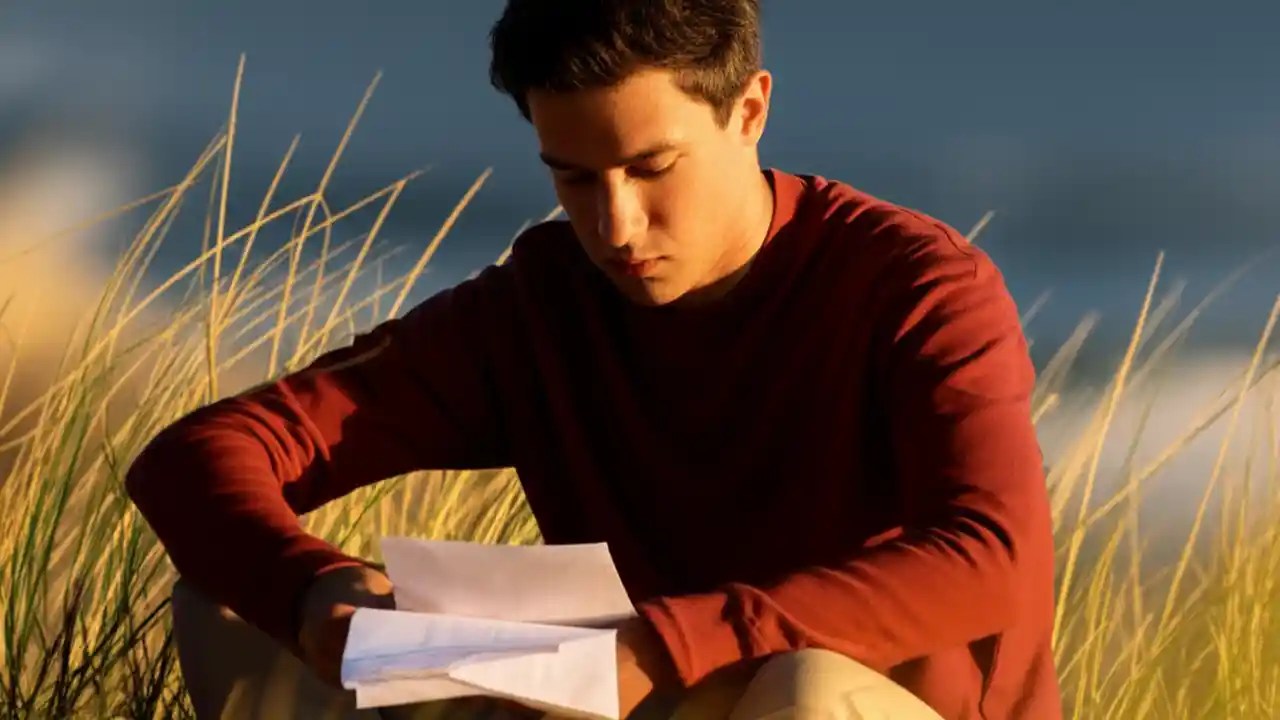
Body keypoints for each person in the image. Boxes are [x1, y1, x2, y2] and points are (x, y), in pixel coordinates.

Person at [125, 0, 1064, 718]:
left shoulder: (916, 285)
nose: (615, 226)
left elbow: (992, 559)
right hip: (625, 691)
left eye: (652, 168)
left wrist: (664, 644)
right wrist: (311, 587)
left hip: (836, 702)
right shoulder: (540, 304)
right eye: (573, 177)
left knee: (803, 690)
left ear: (748, 110)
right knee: (233, 605)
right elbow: (198, 456)